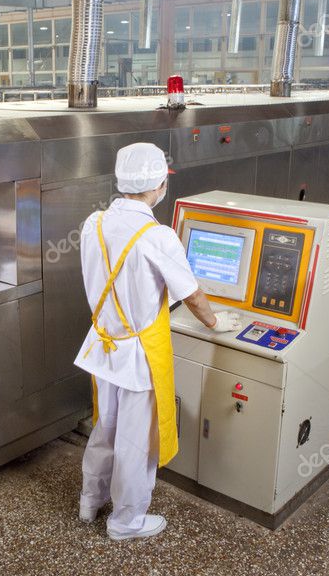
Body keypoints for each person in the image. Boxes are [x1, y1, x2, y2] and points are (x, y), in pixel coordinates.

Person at [74, 142, 242, 541]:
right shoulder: (158, 236)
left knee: (105, 427)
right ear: (159, 184)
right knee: (134, 440)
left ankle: (89, 500)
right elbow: (192, 294)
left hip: (103, 345)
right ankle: (126, 521)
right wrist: (215, 322)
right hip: (138, 355)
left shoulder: (92, 223)